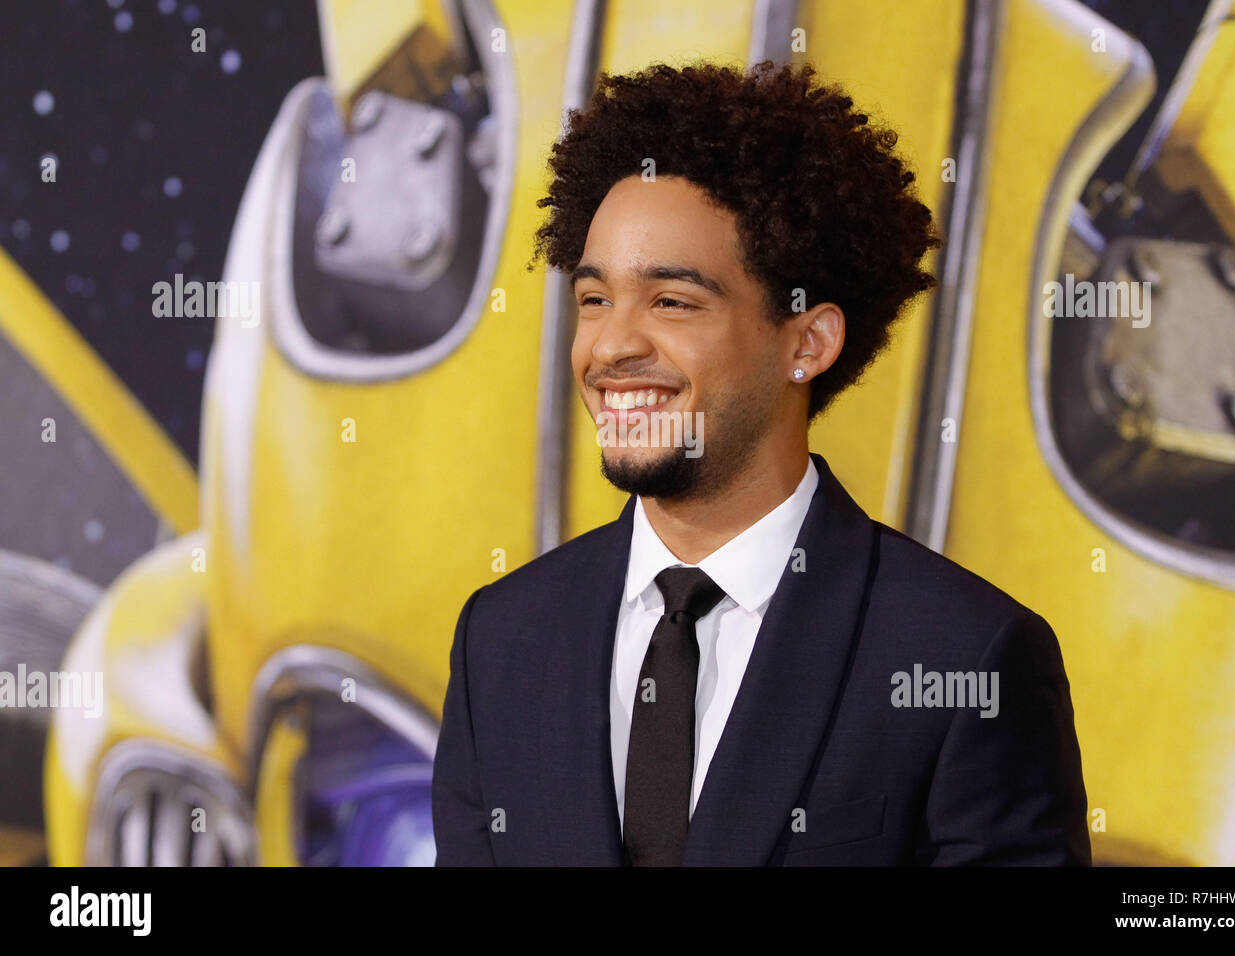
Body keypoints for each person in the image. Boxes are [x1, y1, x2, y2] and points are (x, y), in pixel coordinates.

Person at [432, 59, 1090, 866]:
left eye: (672, 301)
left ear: (806, 342)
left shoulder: (964, 656)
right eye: (595, 299)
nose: (610, 347)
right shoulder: (500, 640)